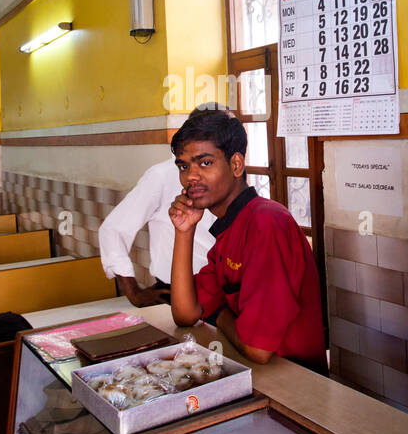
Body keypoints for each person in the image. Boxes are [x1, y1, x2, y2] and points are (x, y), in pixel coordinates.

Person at [168, 110, 326, 372]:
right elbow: (185, 313)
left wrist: (219, 314)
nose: (191, 176)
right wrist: (184, 232)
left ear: (236, 165)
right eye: (184, 166)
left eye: (205, 163)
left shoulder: (266, 223)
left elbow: (257, 349)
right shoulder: (230, 229)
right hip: (260, 374)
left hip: (296, 382)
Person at [99, 155, 215, 307]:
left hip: (224, 293)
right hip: (177, 294)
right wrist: (133, 293)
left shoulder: (226, 174)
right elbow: (113, 229)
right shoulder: (162, 175)